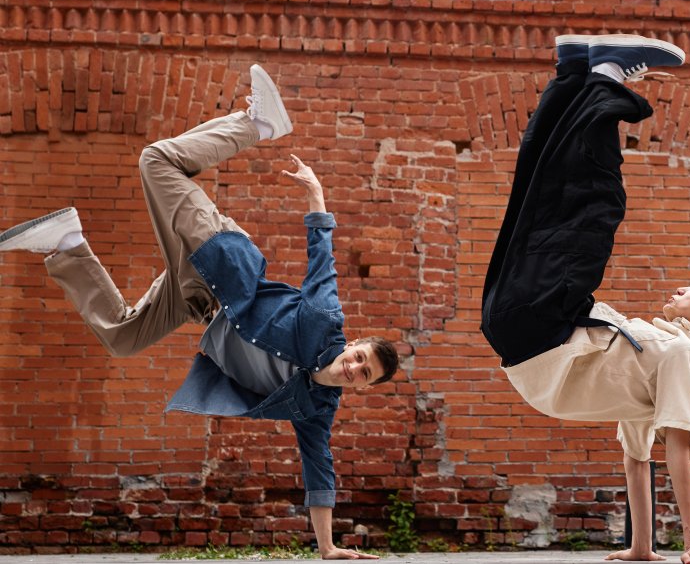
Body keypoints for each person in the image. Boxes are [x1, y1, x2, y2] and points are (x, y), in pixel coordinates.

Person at [0, 65, 398, 560]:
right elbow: (323, 262)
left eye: (364, 374)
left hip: (201, 301)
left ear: (361, 387)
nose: (354, 367)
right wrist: (317, 197)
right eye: (360, 356)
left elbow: (319, 470)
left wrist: (327, 547)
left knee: (123, 337)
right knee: (157, 160)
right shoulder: (324, 322)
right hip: (226, 262)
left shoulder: (315, 408)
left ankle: (67, 244)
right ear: (354, 343)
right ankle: (259, 125)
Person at [480, 34, 690, 564]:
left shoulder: (684, 356)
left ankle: (607, 75)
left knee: (595, 201)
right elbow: (637, 459)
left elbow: (678, 452)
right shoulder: (649, 370)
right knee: (537, 193)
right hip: (518, 332)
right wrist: (640, 548)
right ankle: (573, 72)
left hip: (542, 329)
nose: (683, 287)